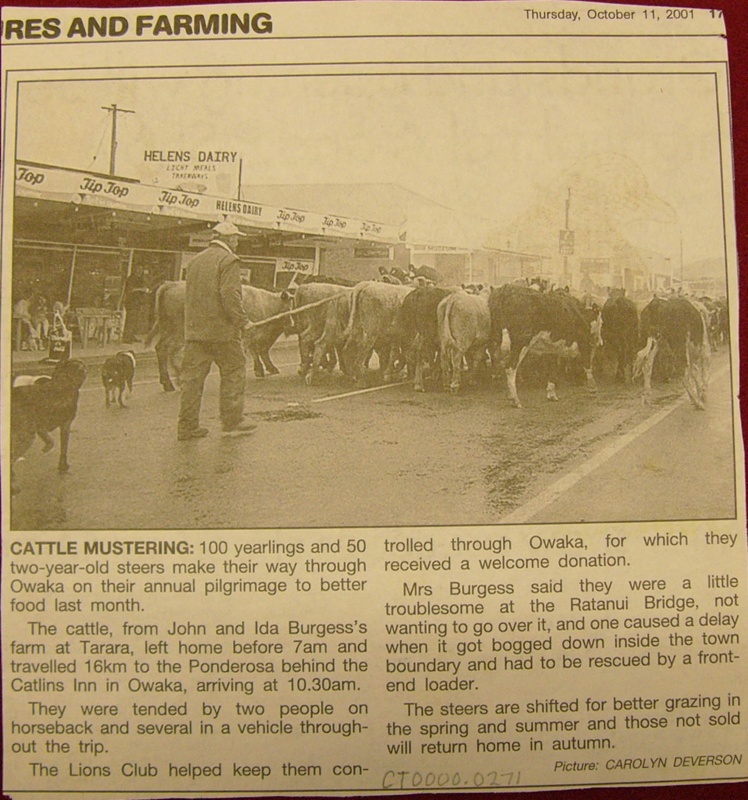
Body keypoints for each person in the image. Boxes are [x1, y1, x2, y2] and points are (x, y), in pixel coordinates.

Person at [177, 221, 256, 441]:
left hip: (195, 333)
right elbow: (230, 294)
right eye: (236, 238)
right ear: (228, 238)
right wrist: (243, 321)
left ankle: (187, 427)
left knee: (191, 381)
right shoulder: (229, 260)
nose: (238, 241)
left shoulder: (195, 261)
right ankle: (232, 422)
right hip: (222, 333)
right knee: (234, 371)